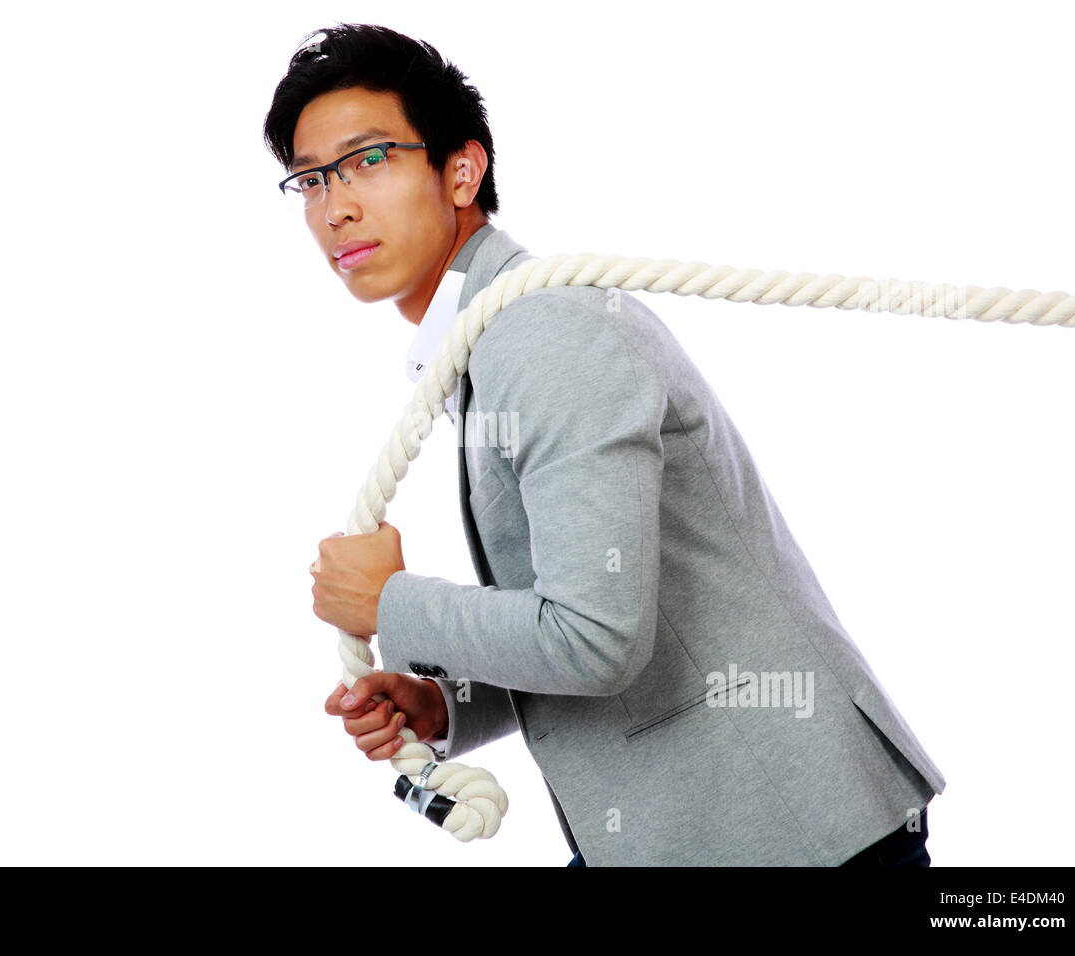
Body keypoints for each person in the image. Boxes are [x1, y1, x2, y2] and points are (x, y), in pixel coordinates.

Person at [266, 22, 946, 865]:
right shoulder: (490, 339)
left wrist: (391, 604)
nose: (336, 205)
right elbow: (598, 617)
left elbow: (595, 639)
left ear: (462, 170)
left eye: (370, 160)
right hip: (698, 832)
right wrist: (449, 704)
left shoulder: (544, 330)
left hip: (789, 831)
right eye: (310, 179)